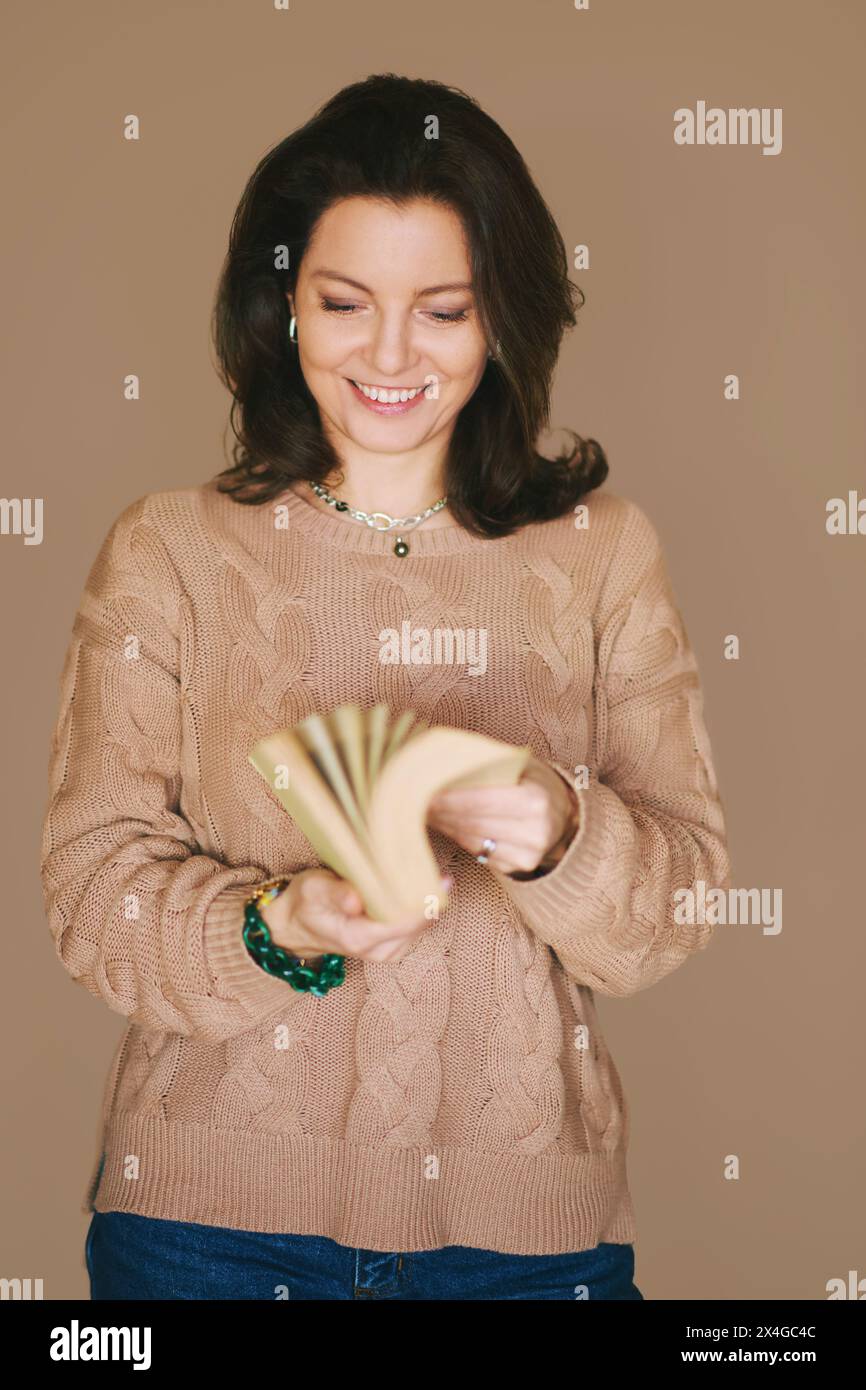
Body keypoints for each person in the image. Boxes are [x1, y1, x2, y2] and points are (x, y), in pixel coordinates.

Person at [41, 73, 731, 1301]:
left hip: (526, 1245)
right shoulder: (165, 552)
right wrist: (282, 924)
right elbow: (94, 893)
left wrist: (557, 831)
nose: (392, 354)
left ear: (502, 320)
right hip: (205, 1237)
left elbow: (672, 910)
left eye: (445, 310)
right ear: (284, 308)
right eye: (345, 303)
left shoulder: (601, 550)